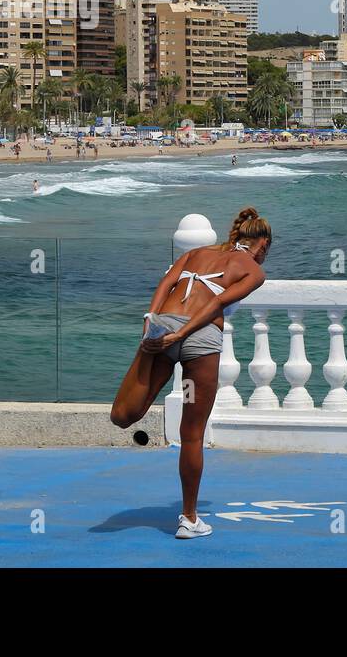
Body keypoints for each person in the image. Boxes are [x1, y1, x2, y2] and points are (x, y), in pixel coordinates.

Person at [110, 207, 270, 539]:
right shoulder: (253, 271)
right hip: (199, 340)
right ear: (262, 244)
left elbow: (165, 283)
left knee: (124, 416)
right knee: (192, 433)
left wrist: (149, 325)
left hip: (163, 326)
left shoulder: (195, 253)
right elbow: (216, 304)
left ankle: (134, 387)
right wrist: (183, 336)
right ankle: (189, 518)